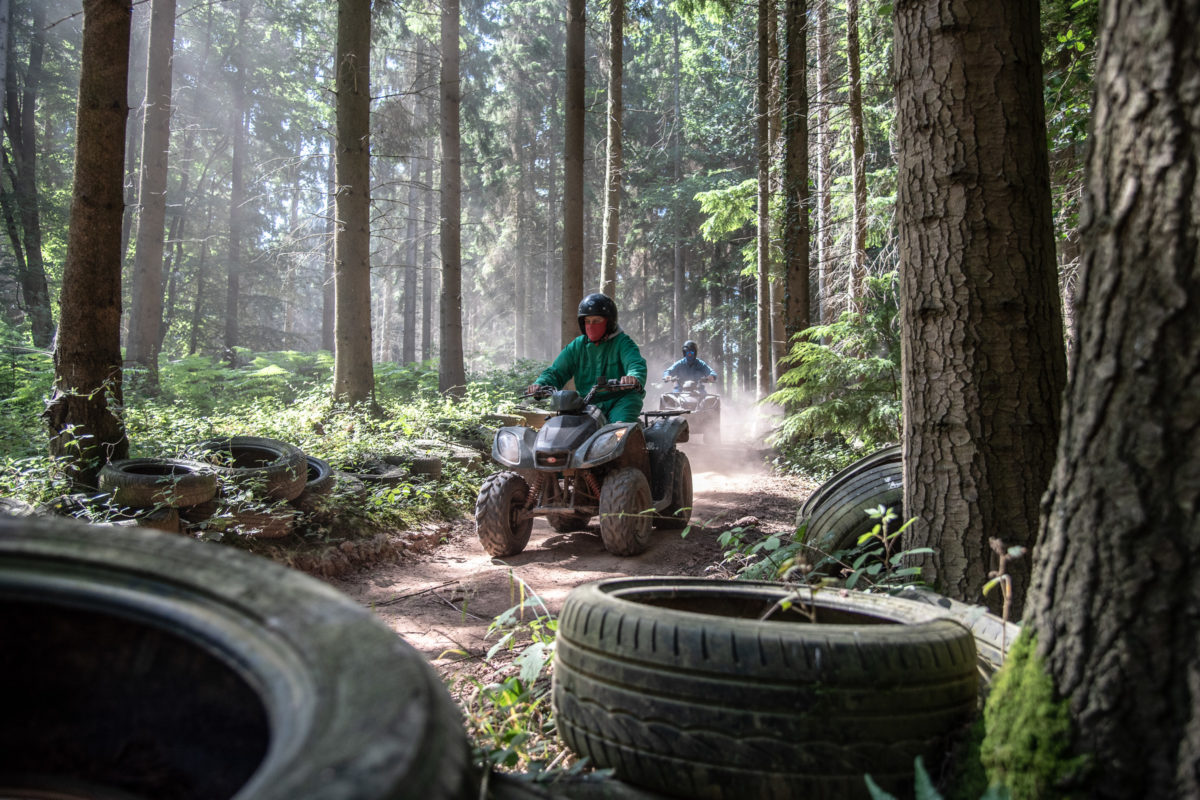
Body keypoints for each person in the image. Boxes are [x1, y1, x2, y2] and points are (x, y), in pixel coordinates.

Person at [527, 293, 648, 424]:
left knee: (618, 430)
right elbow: (556, 371)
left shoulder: (623, 342)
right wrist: (540, 384)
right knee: (572, 430)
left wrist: (633, 377)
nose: (591, 325)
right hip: (589, 403)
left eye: (597, 321)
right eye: (587, 321)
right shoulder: (577, 346)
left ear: (609, 322)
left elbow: (635, 364)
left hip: (622, 400)